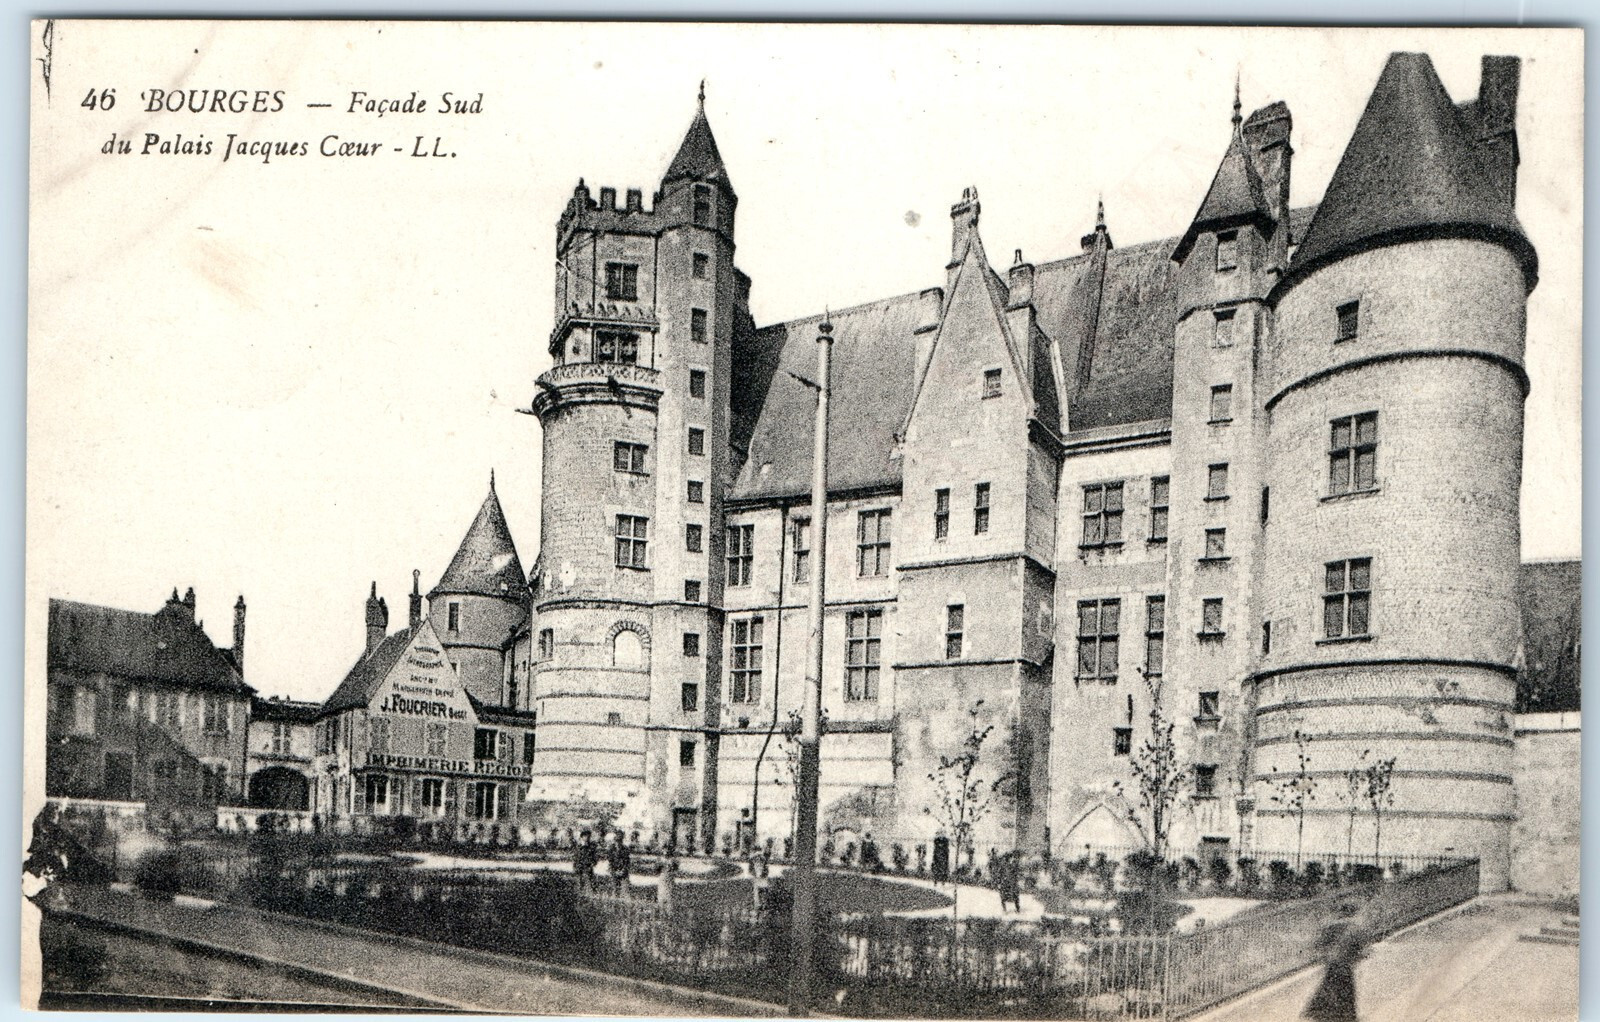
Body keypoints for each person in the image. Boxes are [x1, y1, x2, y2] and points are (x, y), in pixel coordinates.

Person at [1303, 900, 1369, 1021]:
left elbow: (1317, 945)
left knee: (1329, 986)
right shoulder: (1355, 928)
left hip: (1331, 963)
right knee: (1346, 990)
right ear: (1352, 913)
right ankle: (1347, 1017)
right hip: (1344, 965)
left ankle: (1319, 1013)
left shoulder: (1330, 926)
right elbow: (1362, 949)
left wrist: (1326, 955)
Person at [610, 831, 633, 896]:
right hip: (614, 871)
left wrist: (623, 870)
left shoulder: (625, 849)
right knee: (614, 890)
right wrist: (614, 870)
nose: (618, 842)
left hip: (623, 872)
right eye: (617, 840)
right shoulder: (611, 848)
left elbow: (627, 861)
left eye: (620, 840)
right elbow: (610, 861)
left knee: (625, 891)